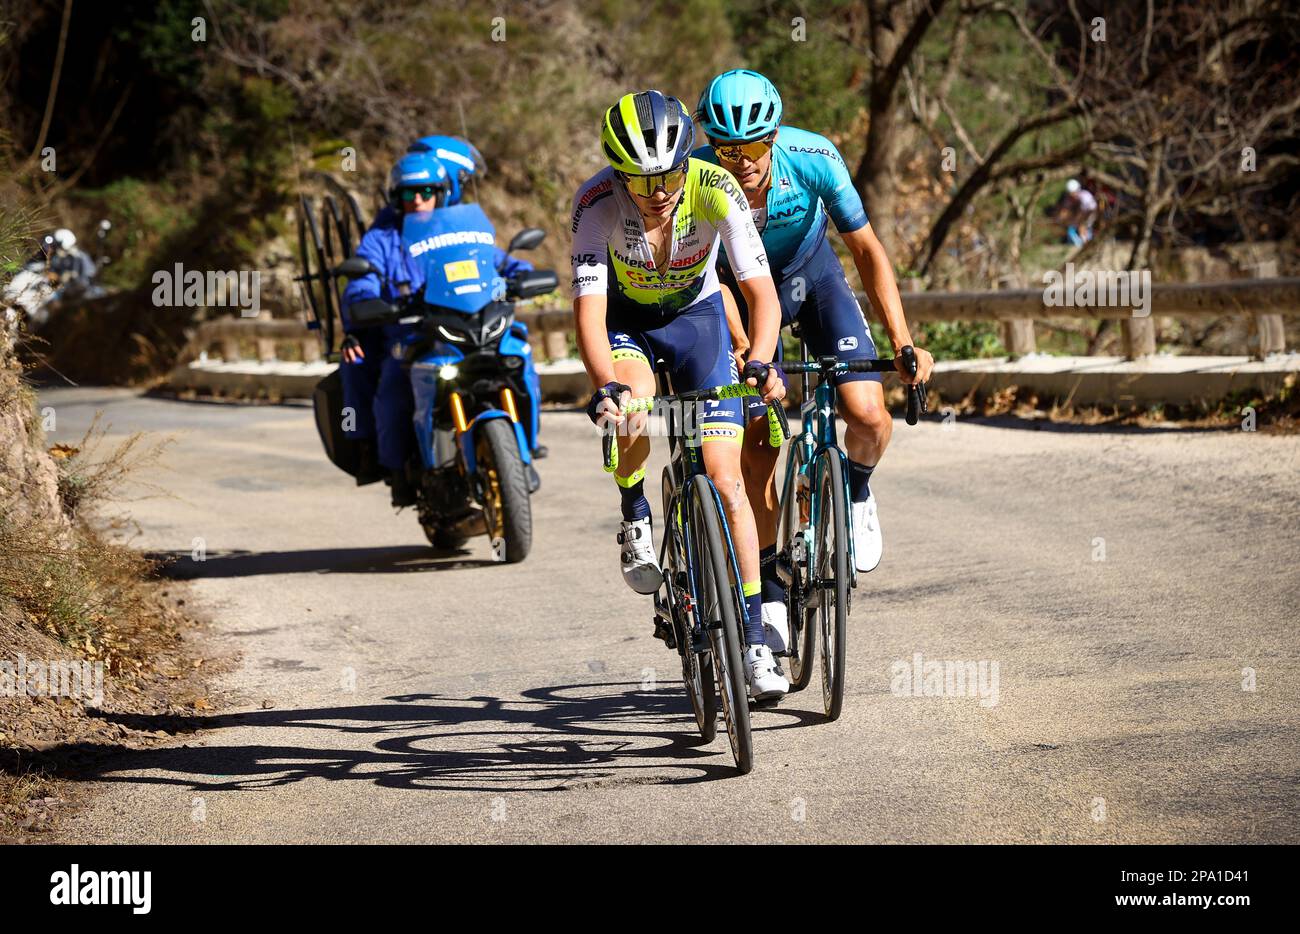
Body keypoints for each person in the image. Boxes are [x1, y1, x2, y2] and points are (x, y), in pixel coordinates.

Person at [694, 69, 933, 653]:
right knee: (757, 442)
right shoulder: (697, 178)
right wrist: (748, 348)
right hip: (740, 294)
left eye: (753, 146)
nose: (742, 161)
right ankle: (771, 590)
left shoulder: (814, 156)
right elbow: (702, 273)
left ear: (774, 136)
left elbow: (867, 251)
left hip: (812, 279)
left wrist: (901, 342)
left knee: (869, 415)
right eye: (728, 148)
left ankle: (854, 489)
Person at [571, 89, 789, 701]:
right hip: (625, 324)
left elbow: (759, 292)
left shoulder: (717, 186)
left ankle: (750, 642)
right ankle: (636, 510)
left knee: (726, 480)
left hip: (698, 320)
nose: (657, 190)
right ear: (618, 174)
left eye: (667, 175)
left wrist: (763, 360)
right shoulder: (594, 204)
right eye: (640, 182)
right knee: (634, 409)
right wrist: (604, 385)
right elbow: (588, 310)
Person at [341, 150, 534, 506]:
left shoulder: (459, 230)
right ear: (394, 197)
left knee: (519, 349)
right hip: (412, 334)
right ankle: (398, 470)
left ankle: (527, 443)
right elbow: (360, 281)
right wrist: (368, 301)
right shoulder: (382, 238)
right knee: (392, 390)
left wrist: (521, 275)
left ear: (441, 193)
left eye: (426, 191)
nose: (417, 200)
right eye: (406, 193)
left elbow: (498, 261)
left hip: (468, 324)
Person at [1057, 178, 1098, 246]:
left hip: (1090, 215)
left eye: (1071, 192)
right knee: (1075, 227)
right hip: (1083, 216)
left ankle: (1086, 243)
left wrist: (1082, 222)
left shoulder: (1084, 196)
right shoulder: (1073, 198)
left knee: (1082, 227)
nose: (1070, 194)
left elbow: (1091, 210)